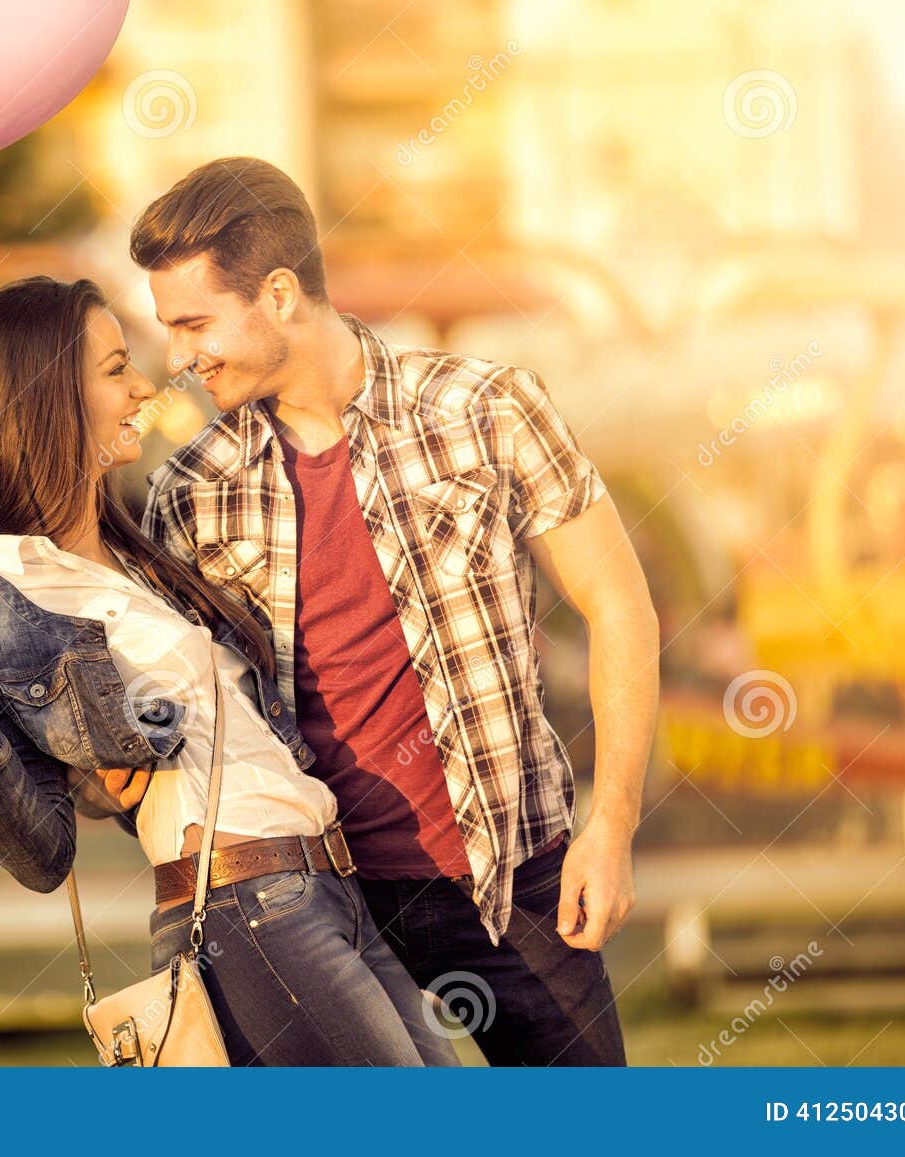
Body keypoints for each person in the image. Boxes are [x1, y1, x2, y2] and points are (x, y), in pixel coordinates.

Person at [127, 157, 660, 1066]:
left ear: (282, 295)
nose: (179, 357)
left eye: (194, 323)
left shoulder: (488, 410)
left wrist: (610, 826)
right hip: (316, 904)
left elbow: (620, 604)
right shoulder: (191, 491)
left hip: (511, 874)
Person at [0, 274, 458, 1067]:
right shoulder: (2, 610)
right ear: (50, 397)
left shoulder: (142, 553)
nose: (143, 386)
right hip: (247, 905)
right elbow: (41, 854)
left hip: (328, 882)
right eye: (116, 369)